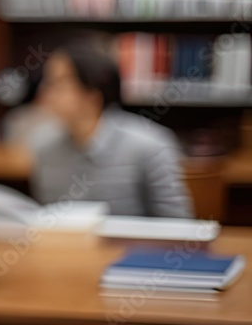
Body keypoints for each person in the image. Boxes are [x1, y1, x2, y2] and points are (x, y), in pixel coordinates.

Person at [30, 41, 194, 217]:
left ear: (92, 94)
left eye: (57, 83)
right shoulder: (45, 149)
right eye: (45, 81)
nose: (44, 91)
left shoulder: (150, 146)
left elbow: (178, 225)